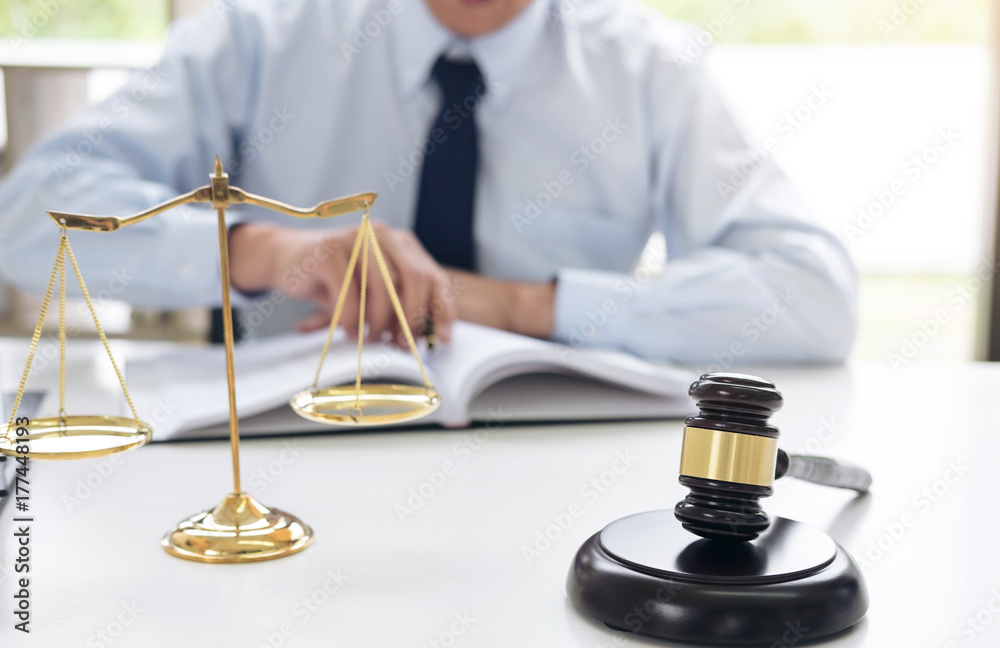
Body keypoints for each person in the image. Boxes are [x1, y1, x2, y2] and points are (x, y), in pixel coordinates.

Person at [0, 0, 857, 364]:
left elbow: (813, 299)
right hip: (290, 457)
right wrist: (265, 249)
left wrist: (521, 305)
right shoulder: (260, 35)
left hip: (561, 467)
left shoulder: (649, 67)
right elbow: (29, 223)